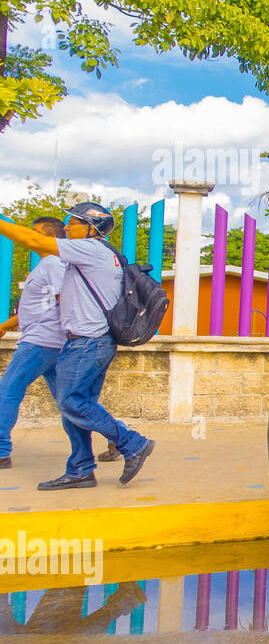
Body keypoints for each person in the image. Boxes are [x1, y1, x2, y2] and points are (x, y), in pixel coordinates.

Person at [0, 202, 154, 488]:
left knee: (71, 402)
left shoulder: (91, 249)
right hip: (91, 342)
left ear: (91, 227)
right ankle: (81, 469)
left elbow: (33, 240)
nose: (67, 227)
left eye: (73, 222)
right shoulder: (104, 254)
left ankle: (132, 443)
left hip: (87, 343)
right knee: (77, 406)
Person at [0, 217, 68, 469]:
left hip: (41, 341)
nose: (31, 236)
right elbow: (44, 305)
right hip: (48, 340)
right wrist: (7, 326)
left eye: (36, 232)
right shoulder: (47, 264)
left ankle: (1, 451)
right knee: (70, 400)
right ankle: (120, 436)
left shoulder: (53, 263)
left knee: (7, 391)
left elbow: (66, 300)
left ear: (50, 238)